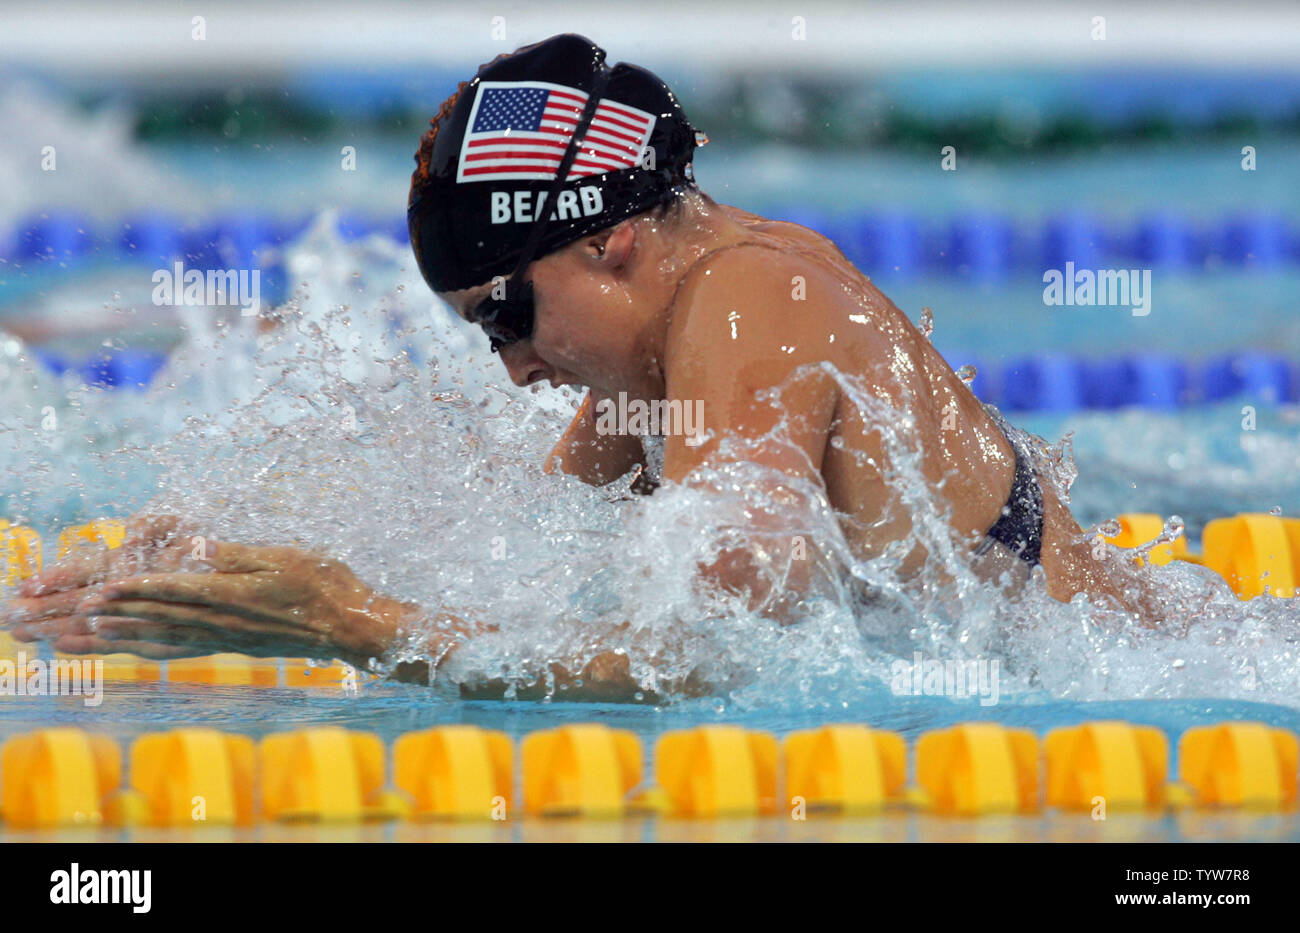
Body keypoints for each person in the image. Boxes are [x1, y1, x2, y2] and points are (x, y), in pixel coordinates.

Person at [0, 34, 1149, 701]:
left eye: (506, 314)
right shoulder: (687, 326)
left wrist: (346, 622)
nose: (513, 370)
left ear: (608, 237)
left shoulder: (744, 303)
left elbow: (711, 658)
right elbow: (512, 529)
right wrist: (216, 556)